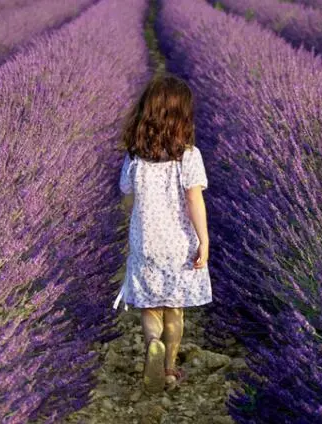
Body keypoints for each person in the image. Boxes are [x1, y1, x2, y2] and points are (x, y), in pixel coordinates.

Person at [113, 73, 212, 393]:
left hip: (146, 242)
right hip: (179, 243)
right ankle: (169, 368)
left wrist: (135, 224)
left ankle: (152, 344)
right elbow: (194, 199)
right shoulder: (189, 156)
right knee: (175, 308)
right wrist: (204, 240)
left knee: (150, 306)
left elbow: (127, 195)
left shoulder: (135, 157)